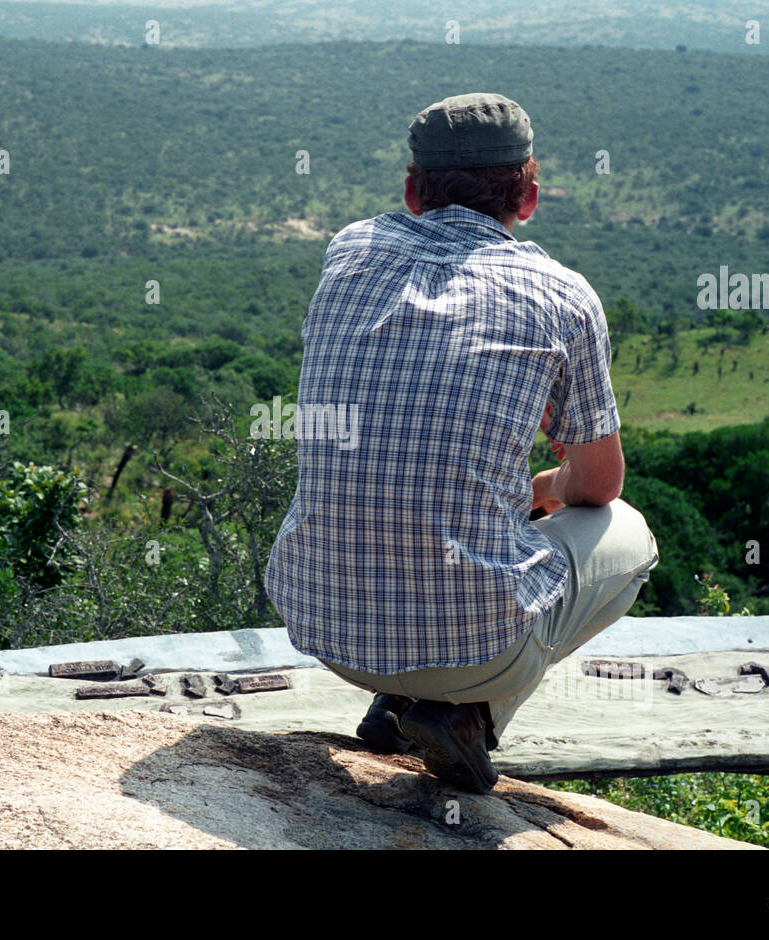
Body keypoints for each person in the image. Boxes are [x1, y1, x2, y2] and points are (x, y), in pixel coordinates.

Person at [263, 93, 659, 793]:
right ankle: (470, 712)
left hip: (320, 621)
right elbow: (598, 486)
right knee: (628, 532)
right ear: (529, 195)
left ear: (413, 191)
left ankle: (400, 701)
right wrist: (549, 486)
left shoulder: (347, 251)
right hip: (473, 649)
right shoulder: (563, 297)